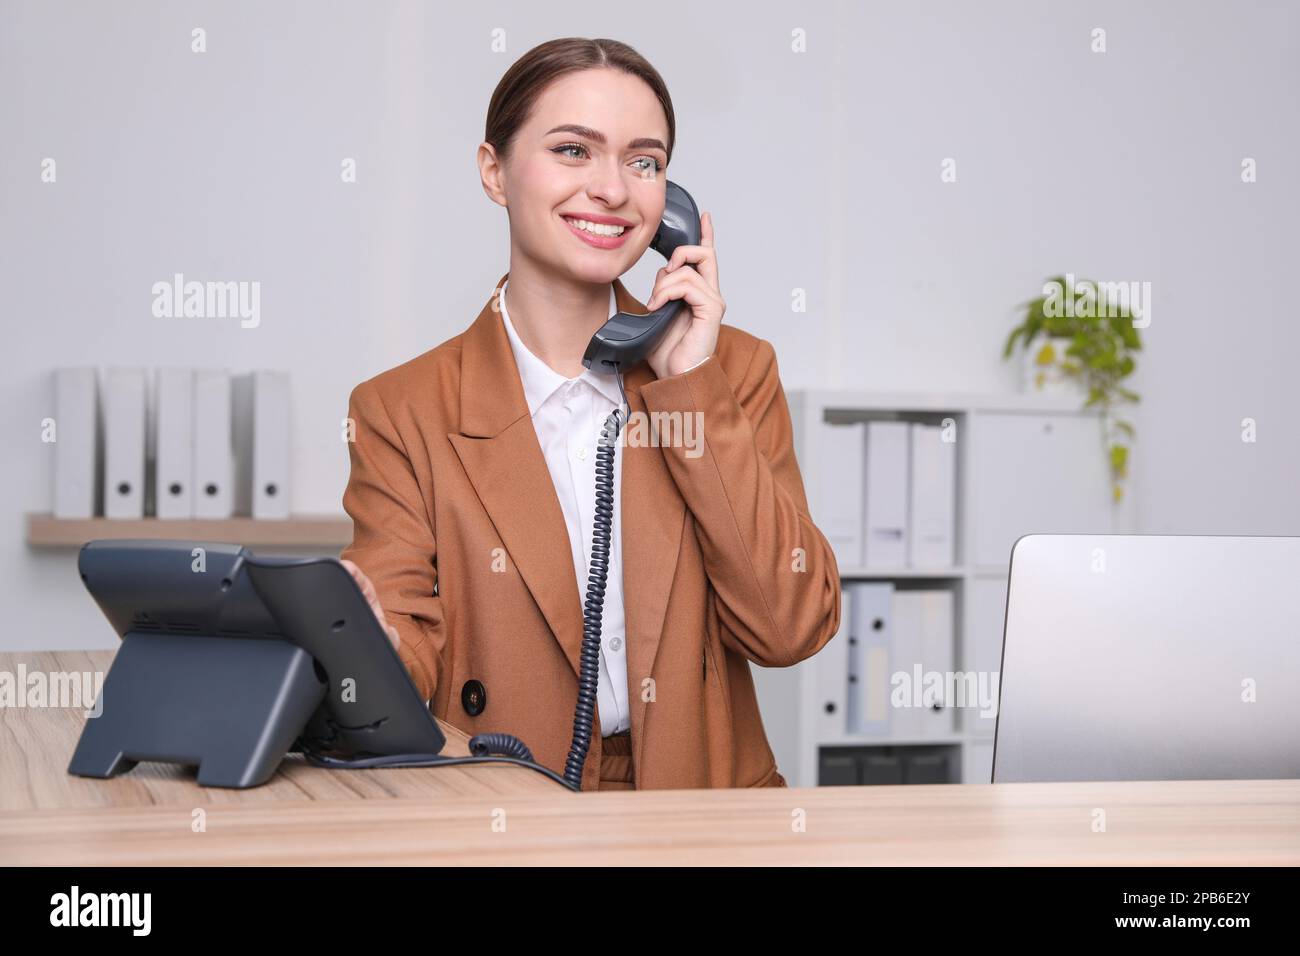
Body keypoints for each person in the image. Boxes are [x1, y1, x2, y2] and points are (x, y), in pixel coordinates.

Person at [339, 37, 841, 791]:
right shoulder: (399, 409)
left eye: (644, 162)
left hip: (705, 806)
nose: (613, 189)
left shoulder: (731, 371)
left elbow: (790, 626)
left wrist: (690, 390)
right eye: (574, 150)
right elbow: (406, 654)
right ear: (494, 171)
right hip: (500, 803)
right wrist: (363, 641)